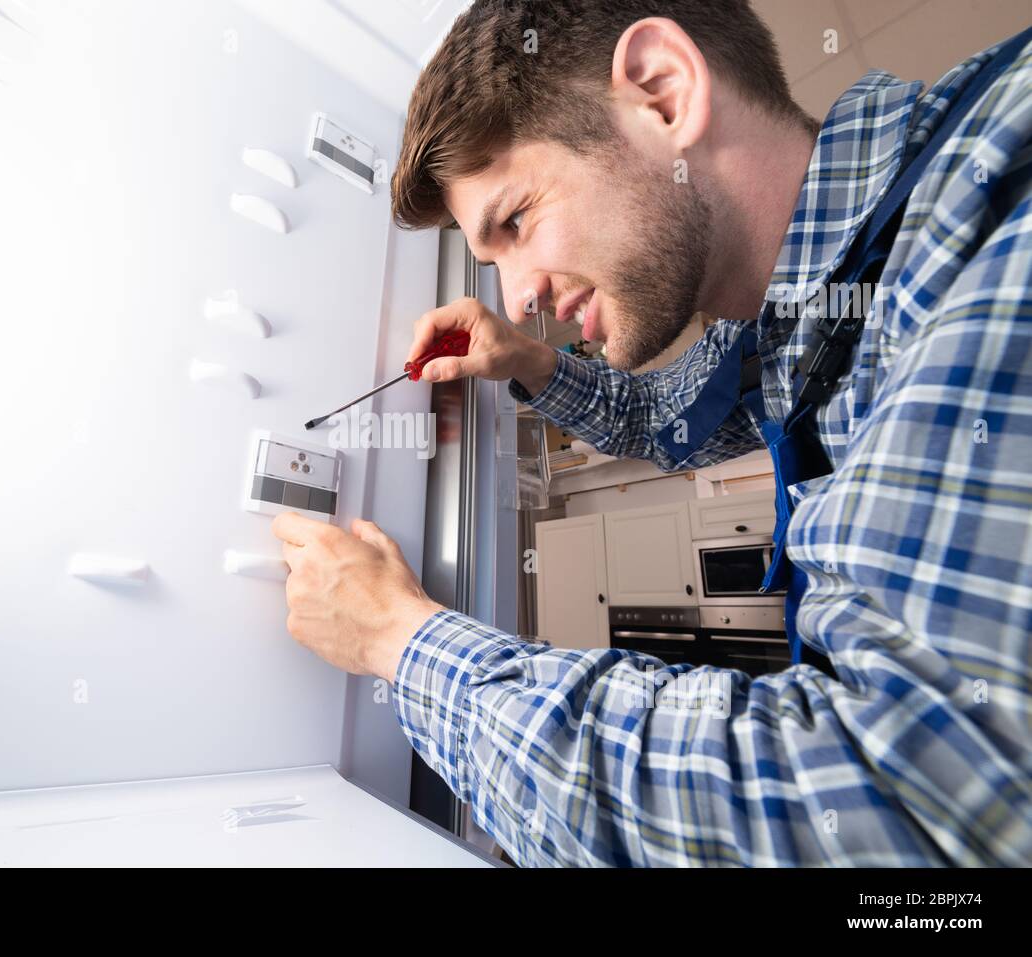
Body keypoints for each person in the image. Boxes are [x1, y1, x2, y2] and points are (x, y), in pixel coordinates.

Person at [273, 0, 1032, 866]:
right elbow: (671, 417)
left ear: (664, 94)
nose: (517, 293)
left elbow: (900, 811)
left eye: (515, 221)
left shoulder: (995, 213)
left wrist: (398, 641)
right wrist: (526, 360)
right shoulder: (799, 319)